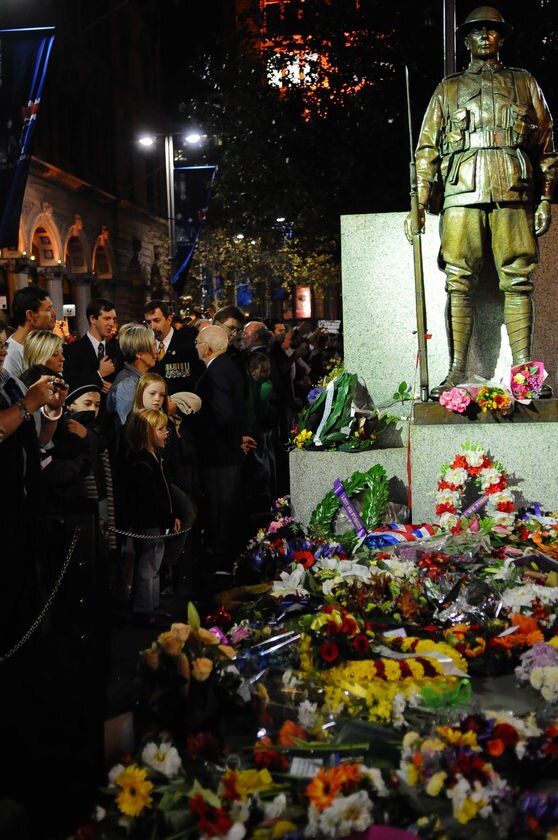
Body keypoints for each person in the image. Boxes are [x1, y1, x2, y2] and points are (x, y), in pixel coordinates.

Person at [407, 6, 558, 398]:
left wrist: (545, 199)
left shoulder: (524, 82)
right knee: (458, 281)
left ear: (501, 38)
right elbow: (426, 150)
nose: (484, 37)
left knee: (518, 280)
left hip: (513, 190)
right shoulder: (448, 89)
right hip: (461, 191)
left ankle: (525, 376)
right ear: (466, 40)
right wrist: (419, 203)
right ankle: (457, 371)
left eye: (491, 31)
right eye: (477, 32)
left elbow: (546, 147)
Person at [190, 324, 246, 588]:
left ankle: (222, 564)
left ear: (208, 347)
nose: (196, 346)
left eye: (198, 342)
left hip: (219, 454)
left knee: (222, 511)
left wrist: (202, 434)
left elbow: (223, 414)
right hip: (225, 452)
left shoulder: (218, 371)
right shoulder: (226, 366)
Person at [124, 409, 181, 626]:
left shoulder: (155, 457)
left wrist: (172, 516)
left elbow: (164, 492)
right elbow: (150, 498)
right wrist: (166, 517)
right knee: (148, 566)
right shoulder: (141, 461)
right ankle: (144, 609)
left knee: (154, 564)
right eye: (161, 429)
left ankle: (153, 606)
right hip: (149, 523)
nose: (167, 432)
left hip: (157, 522)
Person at [143, 299, 204, 395]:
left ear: (169, 320)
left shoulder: (188, 343)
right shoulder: (144, 346)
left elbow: (199, 379)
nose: (152, 326)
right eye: (148, 322)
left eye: (156, 320)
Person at [63, 298, 123, 393]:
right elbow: (69, 385)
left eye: (113, 319)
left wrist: (114, 389)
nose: (112, 323)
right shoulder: (72, 350)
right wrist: (99, 374)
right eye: (107, 318)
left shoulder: (116, 351)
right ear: (93, 319)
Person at [106, 323, 157, 430]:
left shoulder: (141, 379)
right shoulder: (126, 386)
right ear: (139, 354)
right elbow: (130, 428)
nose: (156, 351)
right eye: (152, 346)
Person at [3, 284, 57, 378]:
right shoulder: (10, 354)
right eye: (48, 309)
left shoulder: (43, 345)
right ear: (30, 315)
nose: (54, 313)